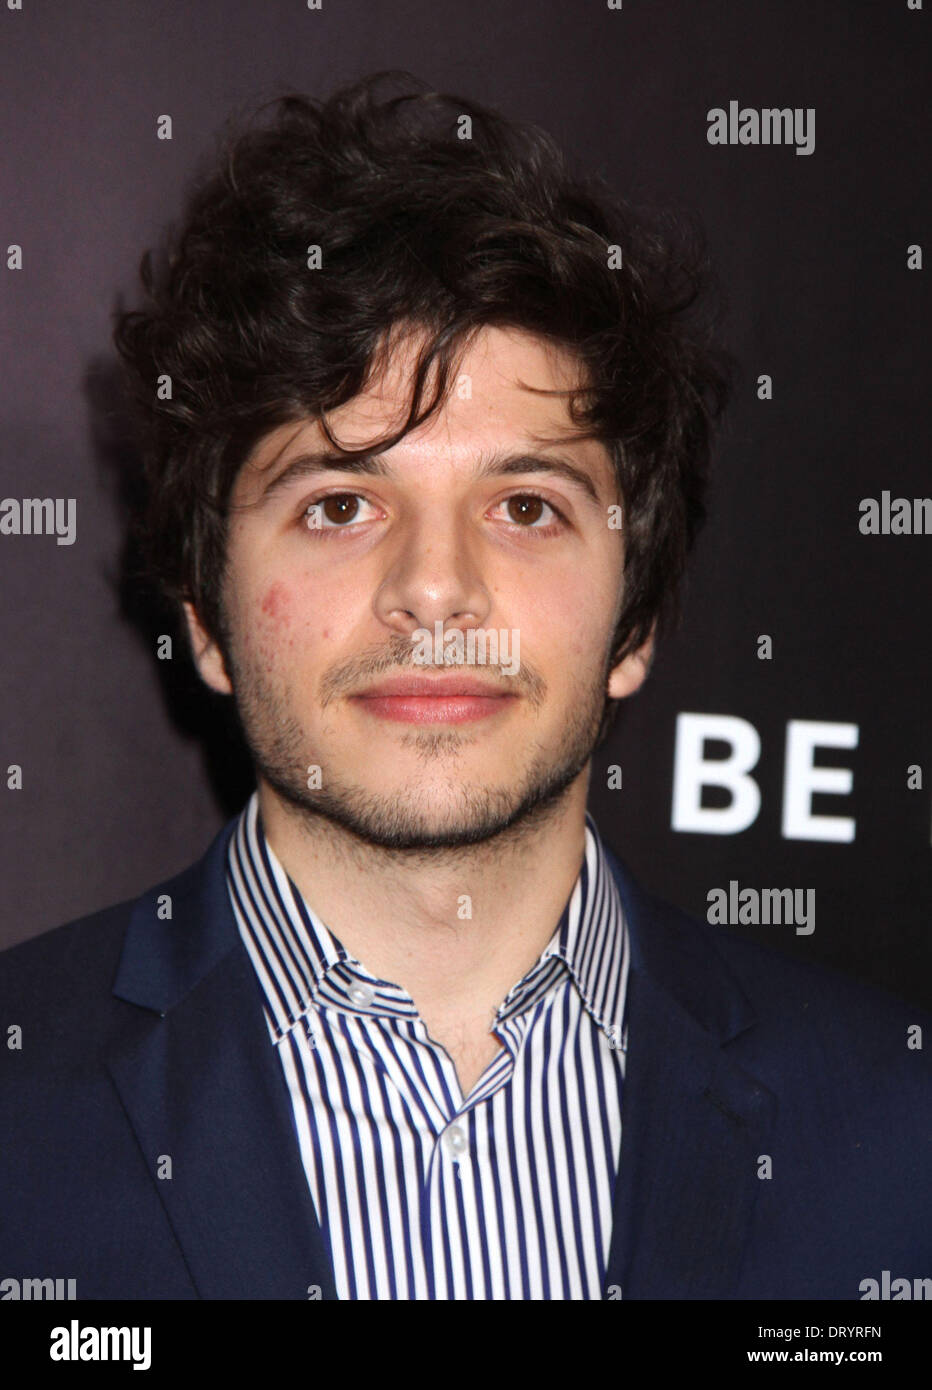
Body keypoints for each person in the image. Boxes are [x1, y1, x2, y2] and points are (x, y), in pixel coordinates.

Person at [1, 70, 928, 1302]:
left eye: (525, 506)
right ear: (206, 619)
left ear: (636, 614)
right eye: (339, 503)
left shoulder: (897, 1136)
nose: (434, 589)